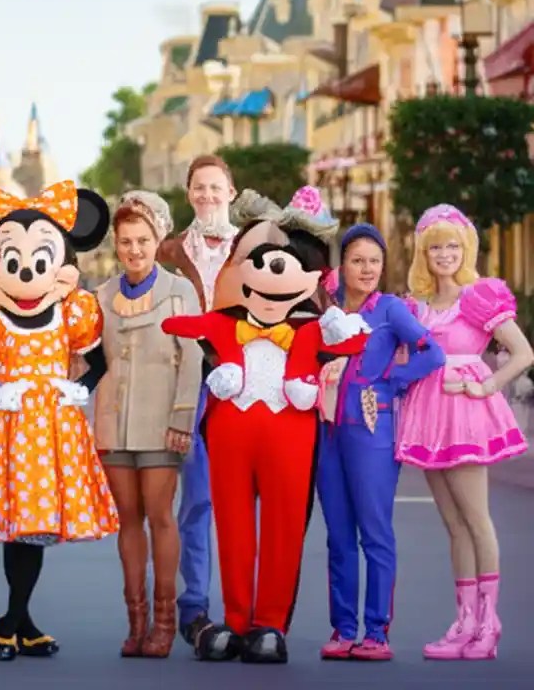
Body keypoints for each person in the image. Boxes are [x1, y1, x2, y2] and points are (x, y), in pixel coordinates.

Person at [160, 187, 370, 663]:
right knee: (232, 527)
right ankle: (236, 620)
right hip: (231, 436)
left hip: (291, 435)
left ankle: (270, 623)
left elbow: (354, 344)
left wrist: (342, 328)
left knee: (283, 527)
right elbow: (181, 327)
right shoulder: (224, 322)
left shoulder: (311, 328)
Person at [0, 181, 119, 661]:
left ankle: (12, 623)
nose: (26, 272)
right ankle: (17, 622)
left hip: (53, 429)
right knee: (19, 527)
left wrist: (78, 387)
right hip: (8, 428)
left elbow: (97, 361)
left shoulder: (73, 310)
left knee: (35, 527)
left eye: (39, 261)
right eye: (12, 261)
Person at [395, 204, 532, 661]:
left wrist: (485, 385)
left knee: (477, 519)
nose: (445, 253)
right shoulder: (417, 306)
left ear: (465, 247)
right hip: (429, 413)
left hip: (464, 414)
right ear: (424, 254)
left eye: (453, 245)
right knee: (454, 524)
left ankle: (489, 623)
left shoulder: (478, 297)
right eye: (436, 247)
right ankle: (465, 622)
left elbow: (523, 353)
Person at [315, 224, 445, 661]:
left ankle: (376, 632)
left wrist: (392, 382)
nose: (367, 268)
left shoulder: (390, 310)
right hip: (328, 431)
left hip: (373, 431)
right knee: (337, 536)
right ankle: (343, 628)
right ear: (342, 266)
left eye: (374, 261)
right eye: (358, 260)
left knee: (374, 533)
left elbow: (433, 354)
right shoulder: (326, 311)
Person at [93, 190, 202, 659]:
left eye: (142, 240)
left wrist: (182, 416)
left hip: (162, 425)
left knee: (161, 517)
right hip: (114, 425)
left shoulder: (180, 292)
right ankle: (134, 622)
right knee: (128, 520)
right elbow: (86, 360)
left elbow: (193, 359)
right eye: (125, 242)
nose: (134, 250)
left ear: (158, 240)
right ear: (115, 245)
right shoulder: (100, 296)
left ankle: (163, 620)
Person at [156, 155, 238, 644]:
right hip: (188, 386)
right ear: (189, 195)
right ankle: (195, 609)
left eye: (216, 187)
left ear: (231, 191)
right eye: (199, 188)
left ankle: (246, 609)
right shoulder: (167, 252)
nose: (208, 195)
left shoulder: (255, 249)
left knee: (244, 502)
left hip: (243, 388)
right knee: (197, 500)